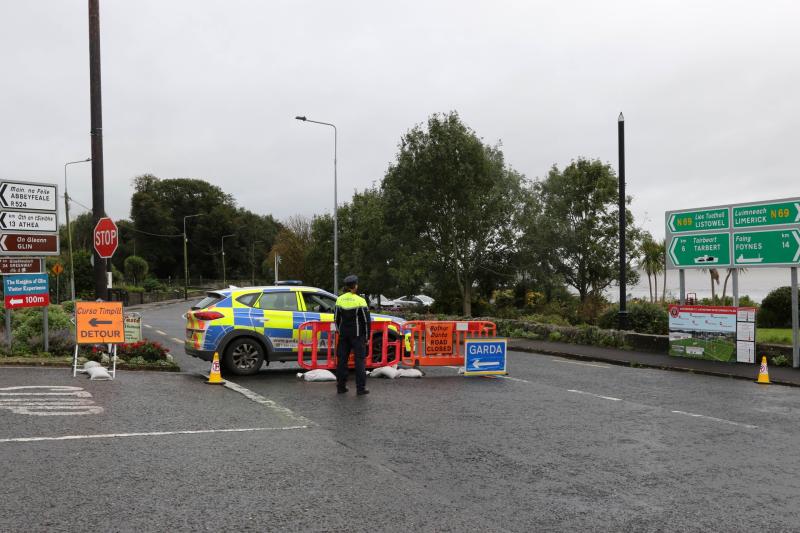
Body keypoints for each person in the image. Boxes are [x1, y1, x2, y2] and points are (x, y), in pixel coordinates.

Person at [334, 275, 371, 395]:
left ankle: (341, 387)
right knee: (359, 361)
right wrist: (367, 337)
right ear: (355, 286)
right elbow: (366, 321)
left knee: (342, 361)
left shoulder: (339, 299)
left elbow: (336, 319)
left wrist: (340, 331)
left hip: (344, 335)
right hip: (358, 335)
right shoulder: (360, 300)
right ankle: (360, 389)